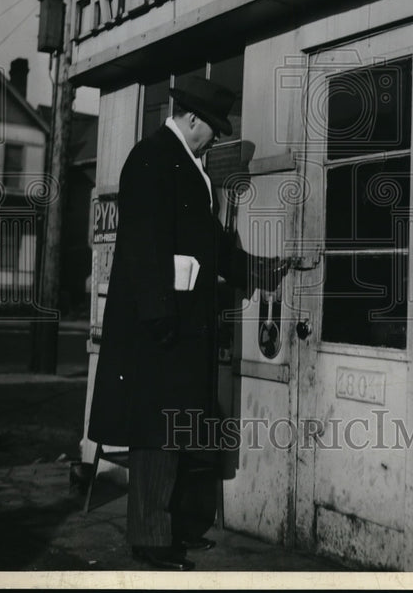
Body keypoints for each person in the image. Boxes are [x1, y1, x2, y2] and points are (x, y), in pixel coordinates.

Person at [88, 75, 289, 571]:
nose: (217, 139)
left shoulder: (187, 166)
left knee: (179, 431)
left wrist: (260, 269)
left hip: (180, 329)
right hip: (159, 330)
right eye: (215, 130)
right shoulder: (152, 158)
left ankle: (172, 529)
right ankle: (151, 540)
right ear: (193, 119)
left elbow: (212, 246)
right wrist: (160, 319)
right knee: (158, 435)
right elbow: (144, 247)